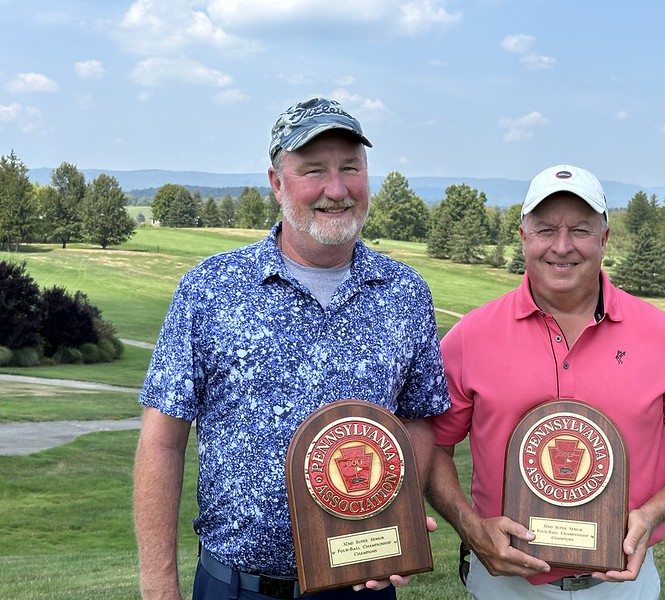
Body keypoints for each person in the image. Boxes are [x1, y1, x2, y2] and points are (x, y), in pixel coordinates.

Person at [133, 97, 450, 600]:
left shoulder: (405, 292)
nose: (336, 189)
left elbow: (417, 417)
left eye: (351, 168)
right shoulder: (212, 288)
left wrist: (400, 512)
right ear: (277, 182)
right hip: (237, 587)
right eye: (313, 170)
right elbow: (161, 441)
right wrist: (158, 588)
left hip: (362, 584)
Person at [425, 164, 665, 599]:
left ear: (605, 239)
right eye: (547, 229)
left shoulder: (663, 337)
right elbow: (431, 446)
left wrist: (652, 513)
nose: (563, 246)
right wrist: (471, 526)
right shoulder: (470, 338)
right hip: (505, 583)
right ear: (524, 236)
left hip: (620, 584)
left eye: (582, 230)